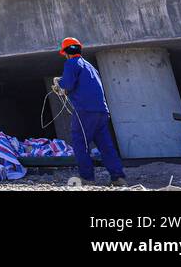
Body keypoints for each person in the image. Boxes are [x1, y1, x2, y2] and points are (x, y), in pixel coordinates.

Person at [53, 37, 127, 187]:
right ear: (79, 49)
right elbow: (83, 86)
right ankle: (118, 177)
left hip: (85, 111)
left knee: (80, 143)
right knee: (106, 145)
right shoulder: (90, 66)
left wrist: (58, 83)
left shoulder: (71, 63)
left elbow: (67, 84)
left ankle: (87, 177)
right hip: (101, 111)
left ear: (66, 52)